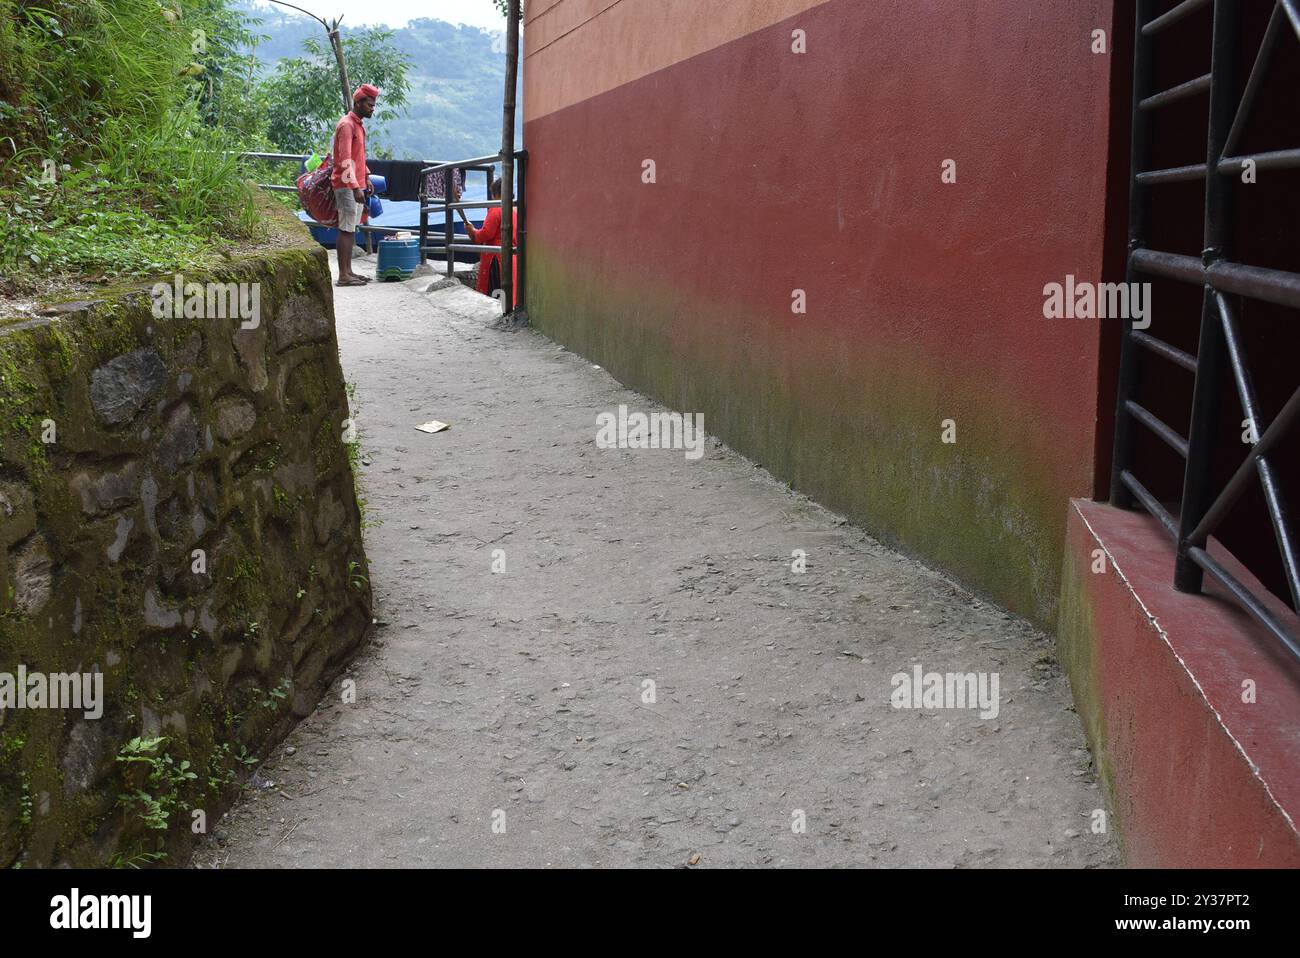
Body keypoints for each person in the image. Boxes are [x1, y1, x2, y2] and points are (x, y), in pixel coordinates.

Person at [332, 84, 379, 287]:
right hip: (346, 185)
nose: (372, 109)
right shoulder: (347, 125)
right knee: (346, 229)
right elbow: (344, 160)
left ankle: (349, 271)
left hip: (356, 183)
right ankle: (343, 275)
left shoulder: (358, 125)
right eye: (369, 105)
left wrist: (366, 176)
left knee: (351, 229)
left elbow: (358, 156)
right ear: (358, 102)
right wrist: (355, 186)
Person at [455, 178, 517, 307]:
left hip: (495, 258)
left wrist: (473, 231)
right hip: (513, 257)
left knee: (495, 291)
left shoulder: (496, 210)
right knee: (511, 291)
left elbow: (485, 234)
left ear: (495, 193)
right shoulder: (515, 210)